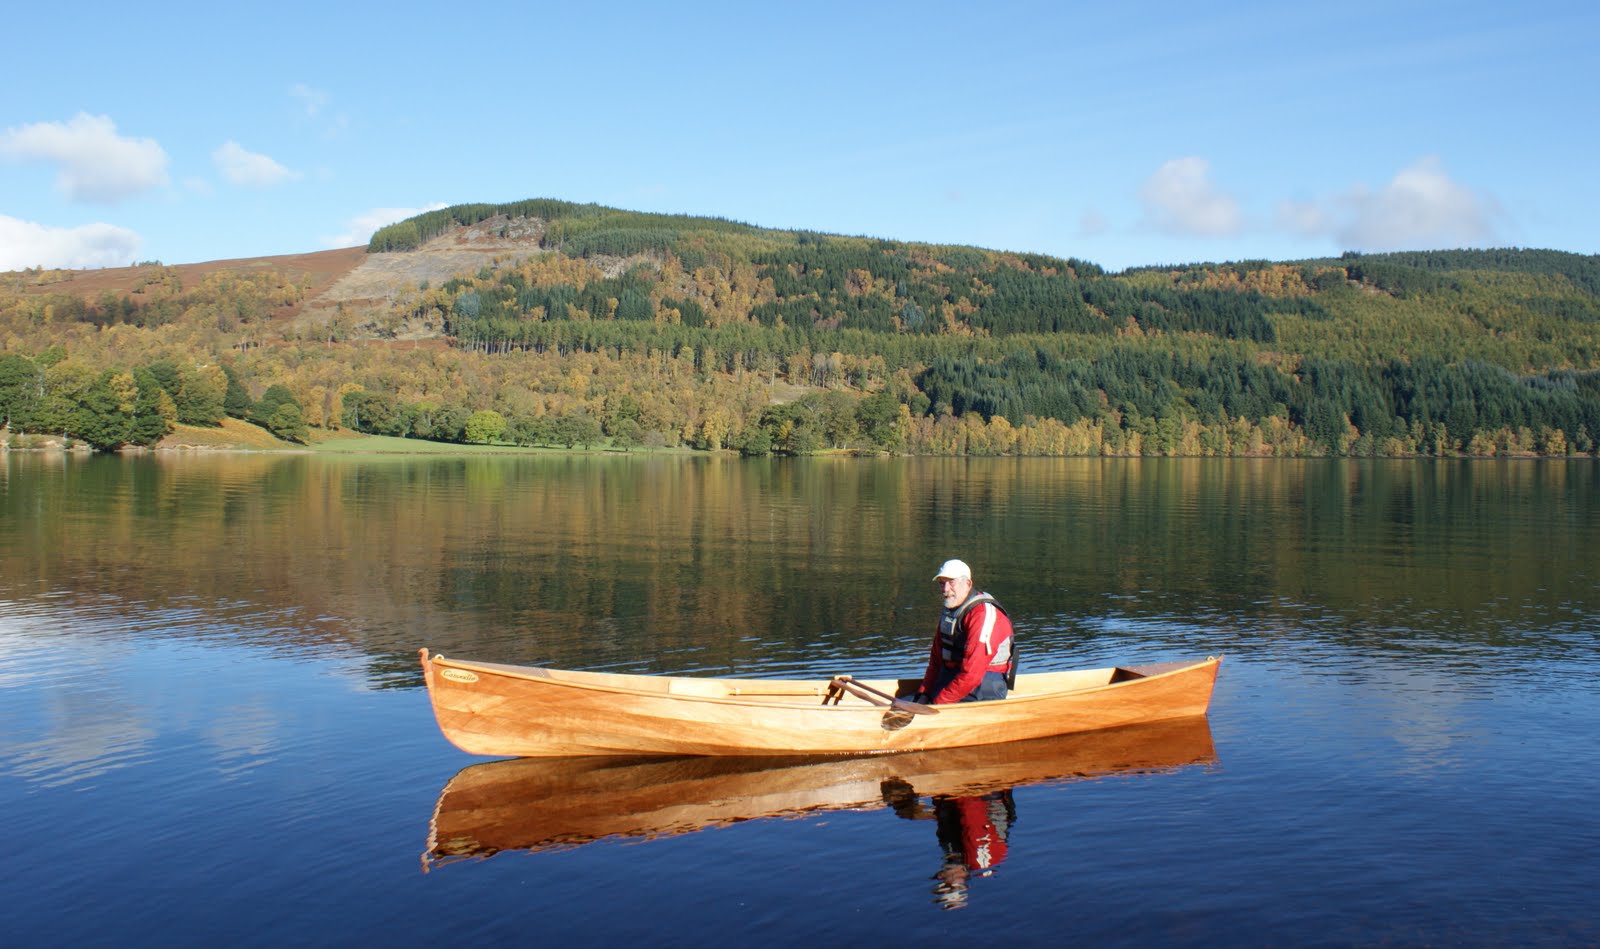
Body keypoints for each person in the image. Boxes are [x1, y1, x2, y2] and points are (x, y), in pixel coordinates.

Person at [913, 559, 1014, 704]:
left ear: (968, 584)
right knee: (914, 699)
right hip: (954, 676)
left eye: (951, 582)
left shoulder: (981, 615)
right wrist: (924, 693)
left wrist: (938, 704)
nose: (945, 589)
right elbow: (936, 661)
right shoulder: (951, 610)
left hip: (985, 684)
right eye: (942, 583)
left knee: (937, 705)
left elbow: (972, 674)